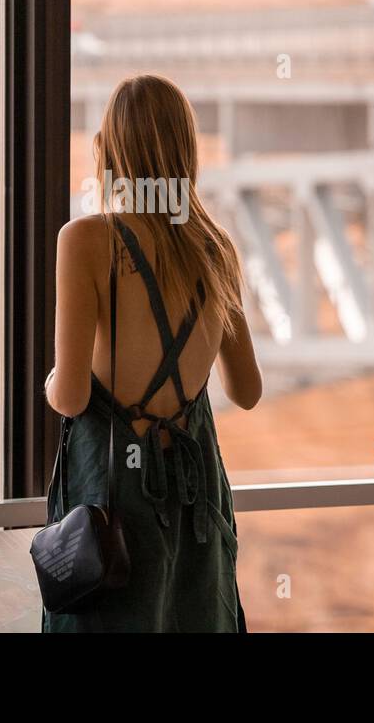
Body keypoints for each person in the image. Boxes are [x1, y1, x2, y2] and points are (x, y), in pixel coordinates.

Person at [41, 72, 263, 632]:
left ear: (109, 149)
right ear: (186, 150)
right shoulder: (215, 248)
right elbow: (247, 391)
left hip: (116, 501)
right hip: (197, 502)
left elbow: (69, 398)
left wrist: (49, 380)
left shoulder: (86, 240)